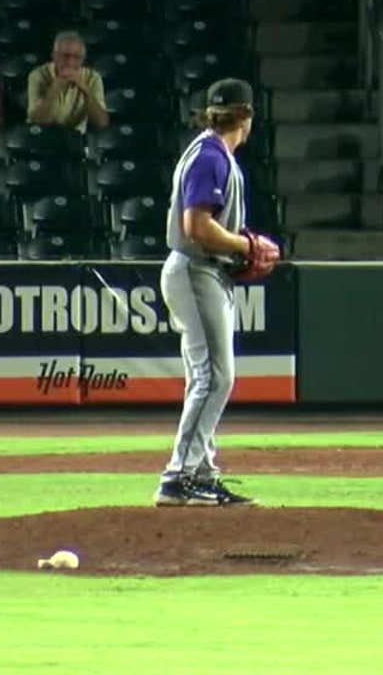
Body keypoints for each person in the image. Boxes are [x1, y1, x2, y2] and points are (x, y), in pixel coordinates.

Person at [153, 78, 274, 507]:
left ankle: (200, 472)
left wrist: (239, 247)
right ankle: (179, 476)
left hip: (198, 270)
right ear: (248, 116)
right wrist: (247, 245)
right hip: (196, 269)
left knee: (205, 378)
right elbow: (197, 227)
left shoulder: (208, 150)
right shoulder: (211, 156)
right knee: (216, 377)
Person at [26, 30, 109, 133]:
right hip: (43, 135)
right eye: (65, 56)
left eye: (77, 57)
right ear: (54, 55)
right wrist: (54, 90)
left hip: (76, 139)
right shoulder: (38, 75)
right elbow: (37, 121)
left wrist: (85, 90)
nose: (70, 62)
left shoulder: (93, 78)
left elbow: (101, 123)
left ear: (83, 59)